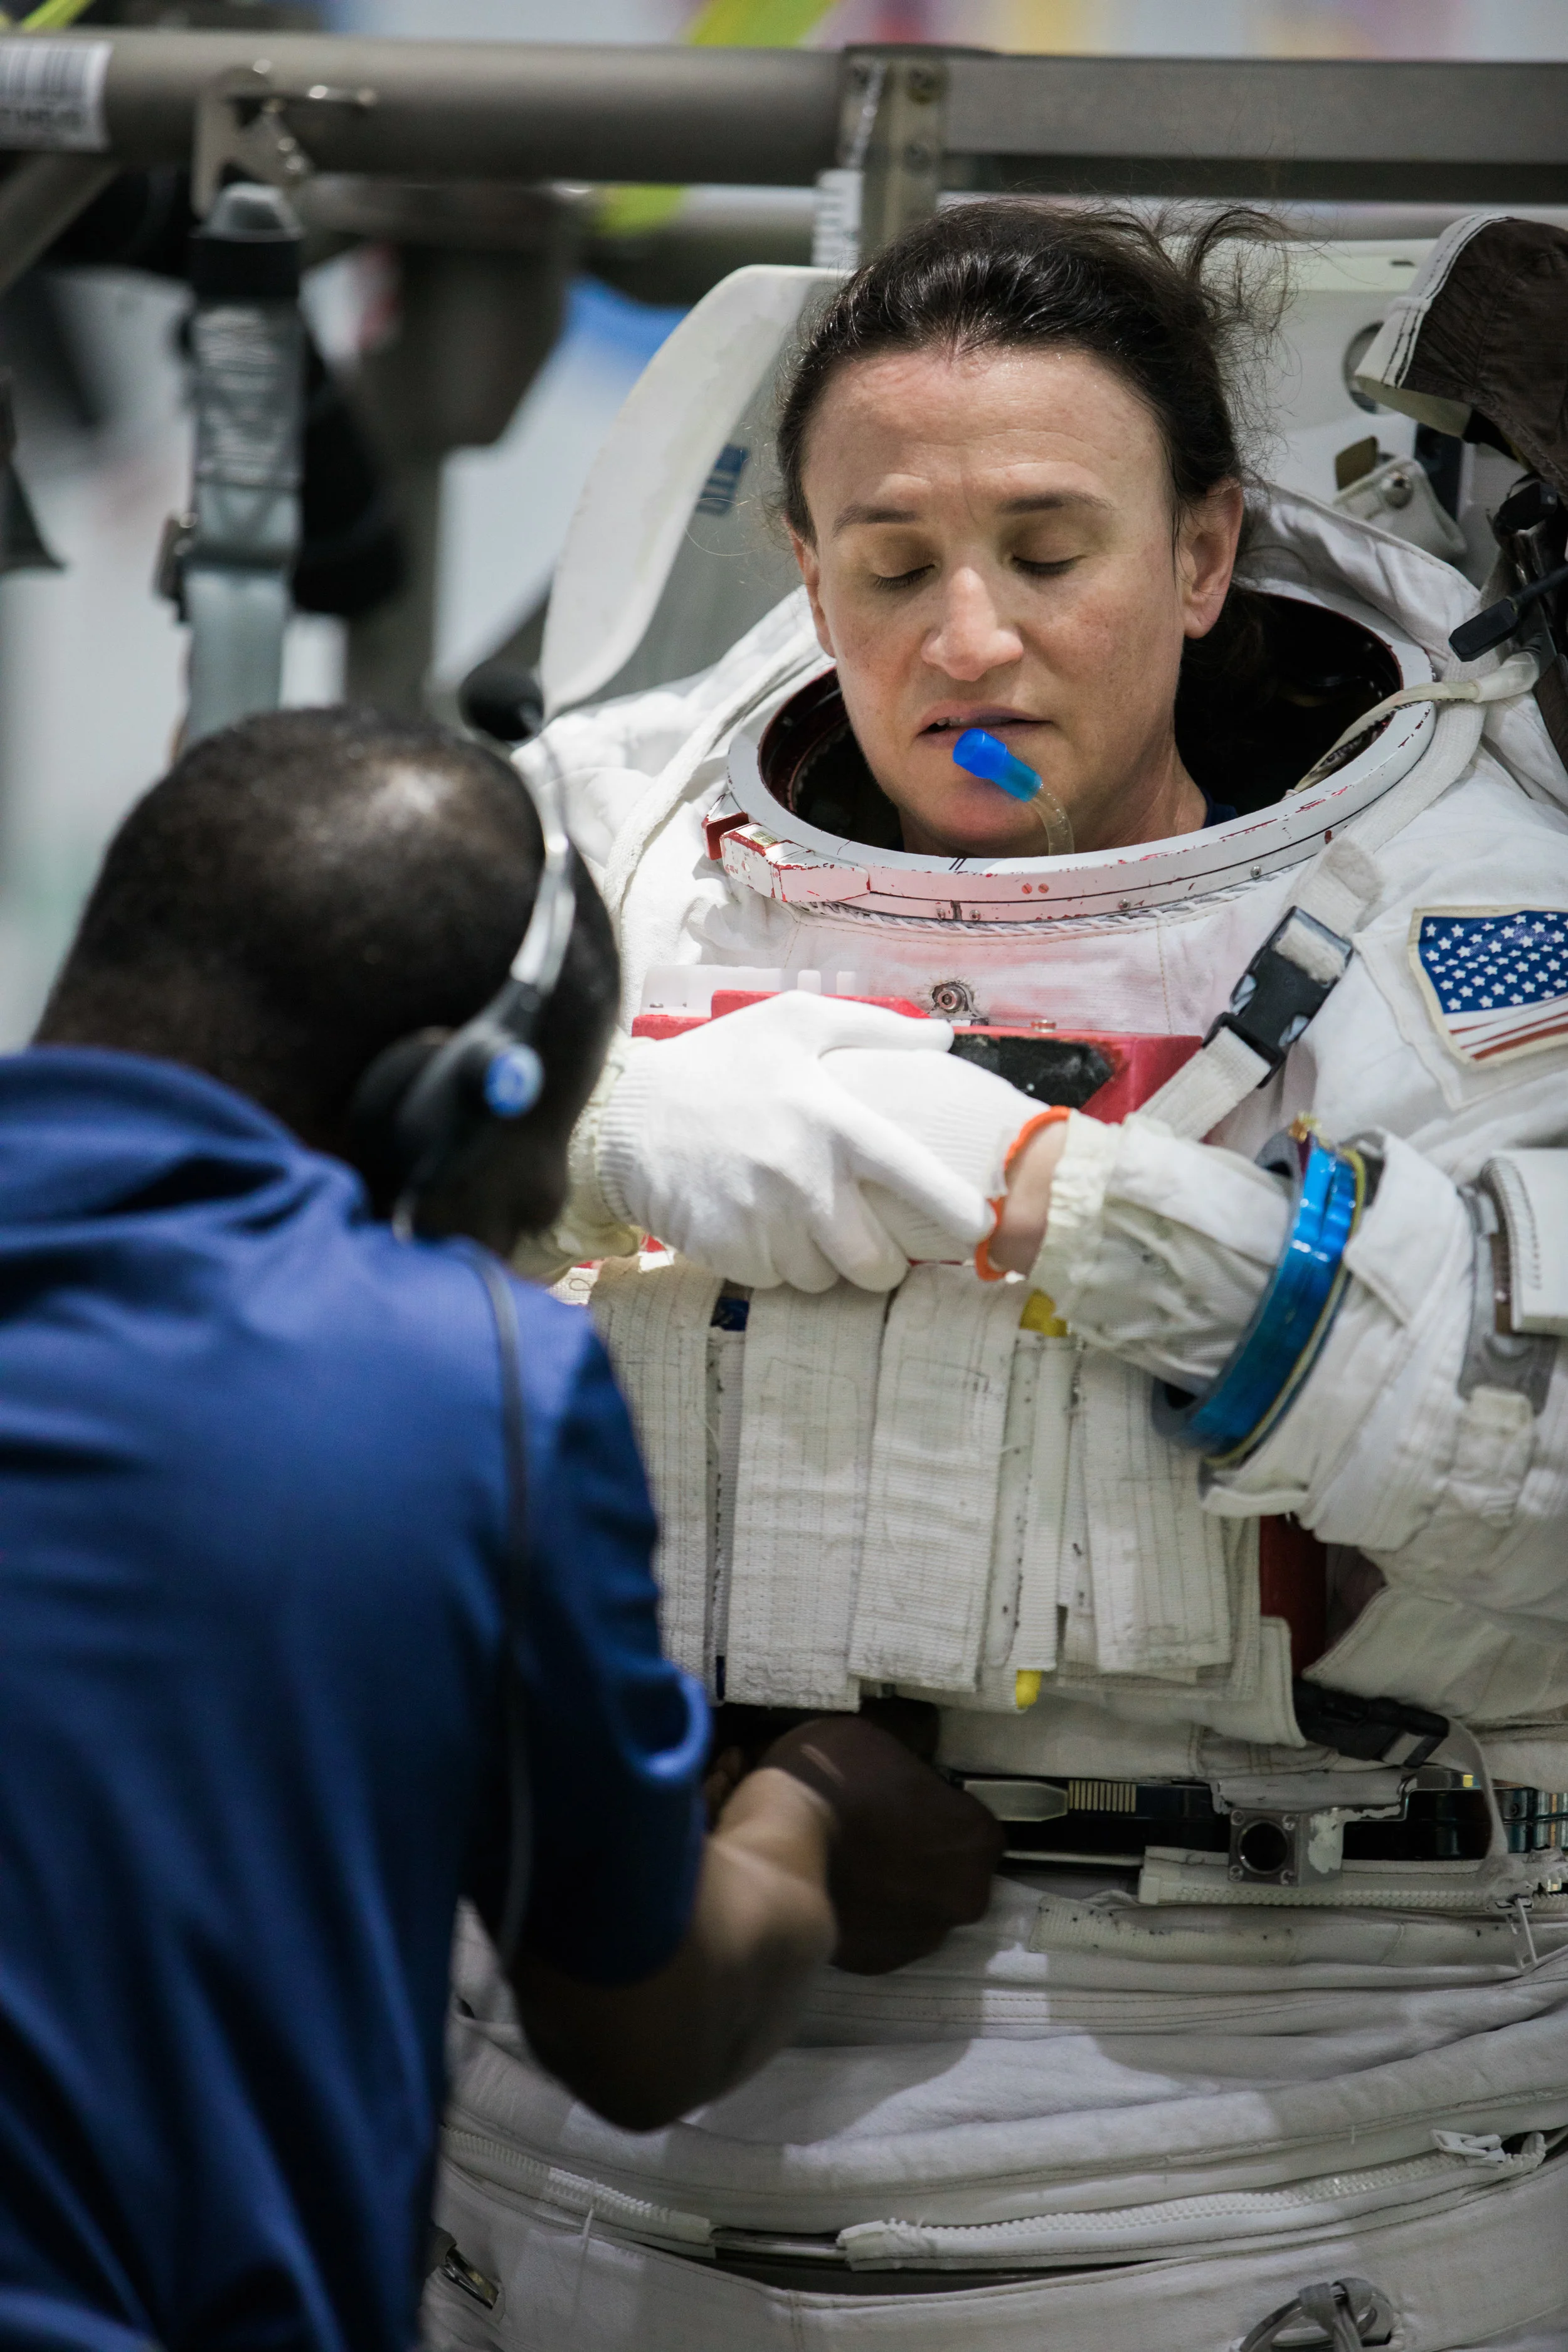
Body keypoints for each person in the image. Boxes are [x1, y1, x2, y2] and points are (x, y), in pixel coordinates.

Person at [431, 208, 1568, 2350]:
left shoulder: (1477, 917)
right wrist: (573, 1143)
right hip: (600, 2107)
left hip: (1288, 2107)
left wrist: (1055, 1194)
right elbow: (244, 1244)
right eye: (889, 566)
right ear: (800, 571)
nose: (969, 641)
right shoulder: (609, 862)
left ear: (1206, 558)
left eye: (1051, 554)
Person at [0, 705, 1002, 2352]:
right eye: (525, 1198)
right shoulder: (467, 1387)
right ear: (452, 1101)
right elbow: (637, 2031)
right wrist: (812, 1823)